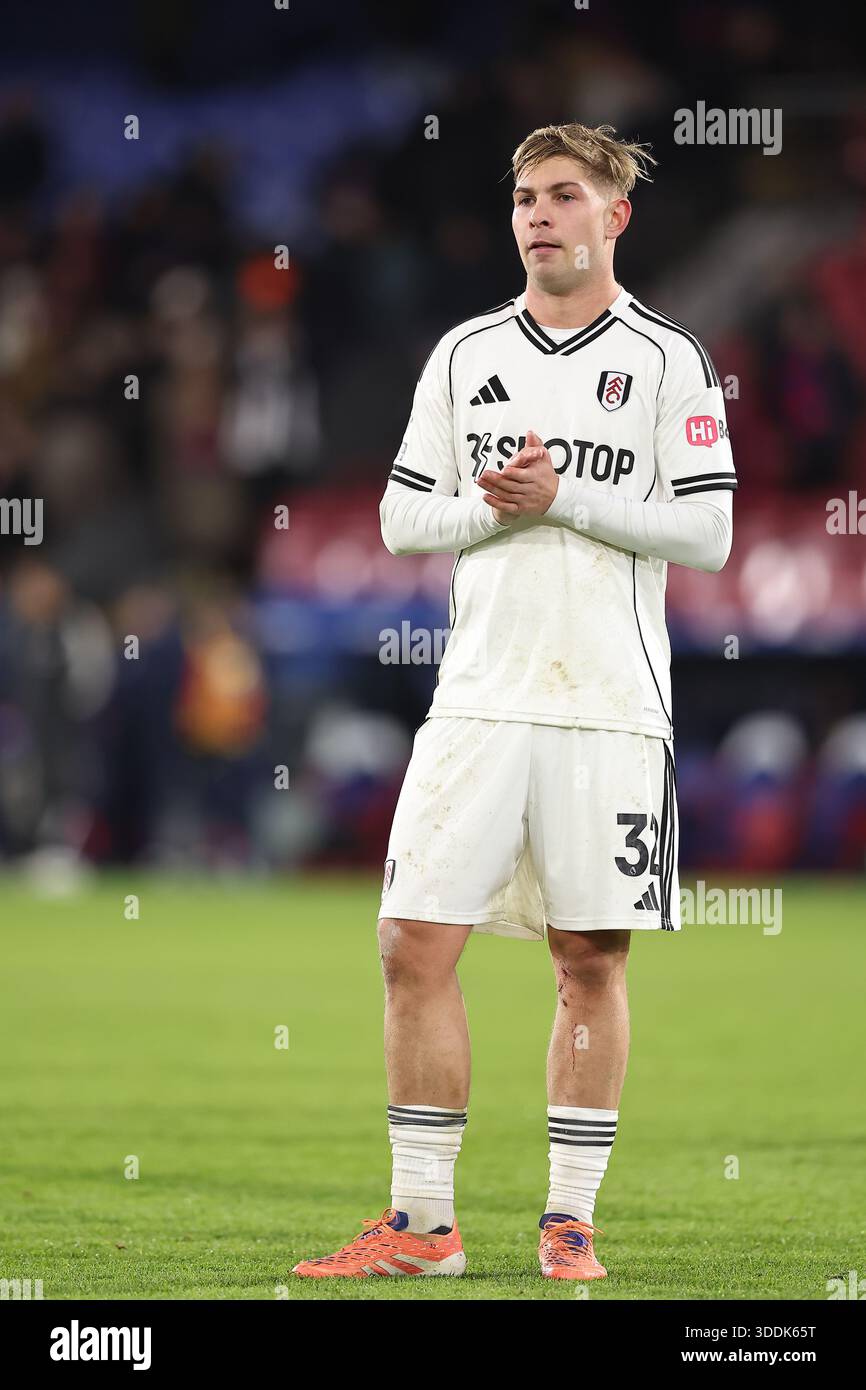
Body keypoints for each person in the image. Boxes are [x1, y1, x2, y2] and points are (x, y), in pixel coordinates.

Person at [293, 122, 736, 1281]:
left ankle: (569, 1219)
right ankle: (424, 1224)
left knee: (588, 959)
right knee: (410, 942)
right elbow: (399, 518)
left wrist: (562, 505)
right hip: (478, 698)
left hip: (607, 703)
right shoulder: (463, 354)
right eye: (524, 199)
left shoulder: (665, 359)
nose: (538, 215)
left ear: (612, 216)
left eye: (562, 196)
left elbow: (707, 528)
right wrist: (497, 512)